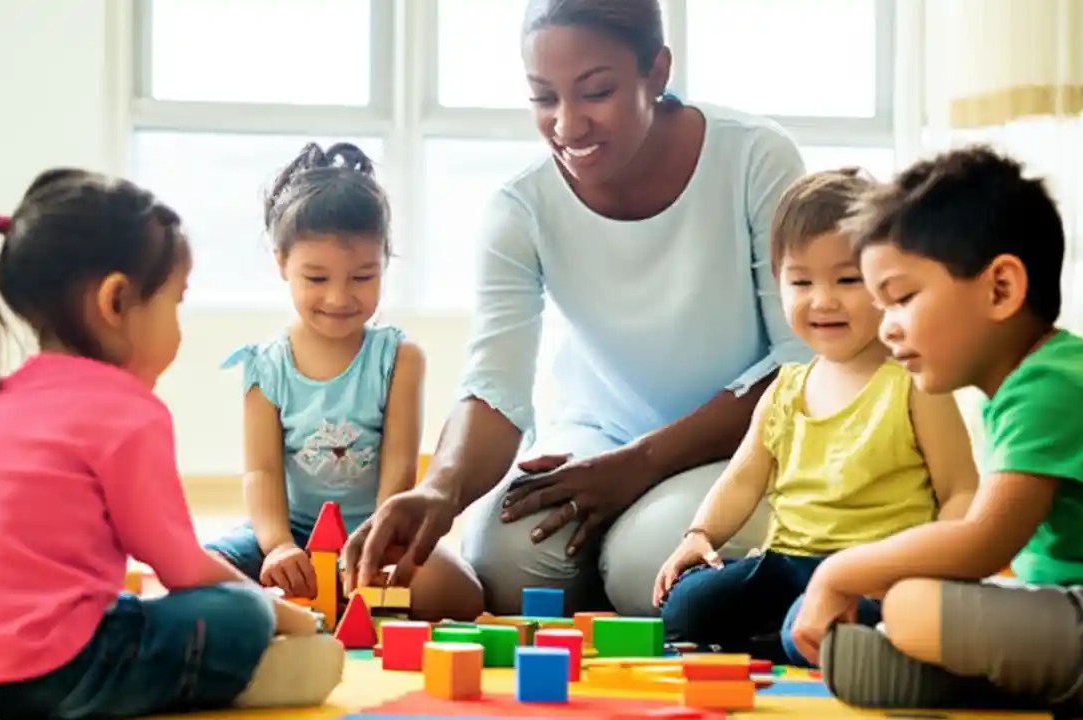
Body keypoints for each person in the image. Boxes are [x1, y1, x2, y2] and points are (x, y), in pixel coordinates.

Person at [342, 0, 811, 617]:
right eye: (543, 98)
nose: (568, 124)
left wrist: (638, 467)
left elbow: (798, 361)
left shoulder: (755, 158)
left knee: (647, 565)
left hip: (738, 444)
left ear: (657, 73)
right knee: (506, 564)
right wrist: (440, 488)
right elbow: (494, 388)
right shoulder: (521, 208)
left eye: (596, 92)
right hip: (596, 439)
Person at [0, 170, 343, 718]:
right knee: (238, 613)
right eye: (176, 304)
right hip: (56, 674)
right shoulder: (126, 411)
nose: (179, 330)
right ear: (115, 302)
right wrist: (277, 611)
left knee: (134, 607)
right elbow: (181, 565)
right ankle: (245, 675)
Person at [790, 147, 1083, 716]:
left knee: (910, 604)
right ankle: (979, 677)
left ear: (1000, 289)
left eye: (902, 298)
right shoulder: (1026, 385)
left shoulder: (1056, 386)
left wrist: (839, 570)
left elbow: (984, 541)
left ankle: (996, 680)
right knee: (908, 596)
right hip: (1074, 604)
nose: (887, 330)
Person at [652, 168, 979, 664]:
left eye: (847, 280)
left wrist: (923, 572)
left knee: (839, 618)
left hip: (874, 574)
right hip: (785, 565)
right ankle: (791, 641)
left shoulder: (913, 385)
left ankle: (804, 640)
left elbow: (961, 490)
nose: (822, 300)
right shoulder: (786, 388)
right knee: (690, 601)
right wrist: (699, 537)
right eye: (800, 281)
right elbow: (743, 478)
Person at [205, 143, 484, 622]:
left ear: (384, 266)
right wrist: (276, 549)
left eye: (362, 276)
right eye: (316, 278)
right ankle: (292, 605)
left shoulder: (399, 358)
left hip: (372, 531)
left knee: (461, 593)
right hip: (288, 532)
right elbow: (262, 473)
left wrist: (375, 544)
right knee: (203, 569)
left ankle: (325, 604)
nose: (338, 297)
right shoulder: (264, 366)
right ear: (281, 264)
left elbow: (400, 465)